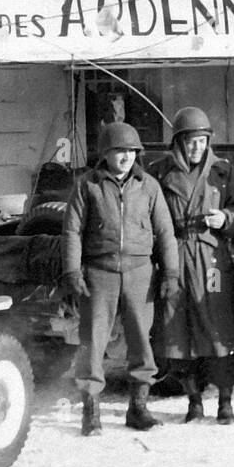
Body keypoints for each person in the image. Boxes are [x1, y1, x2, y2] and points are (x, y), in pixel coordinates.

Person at [62, 122, 179, 436]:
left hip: (141, 273)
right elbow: (72, 231)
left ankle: (138, 408)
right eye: (118, 151)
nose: (125, 157)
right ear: (105, 154)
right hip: (99, 272)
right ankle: (91, 411)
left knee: (141, 339)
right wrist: (73, 271)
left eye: (130, 151)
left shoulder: (149, 186)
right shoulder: (88, 185)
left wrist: (170, 272)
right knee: (93, 340)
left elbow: (165, 232)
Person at [148, 107, 234, 424]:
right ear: (179, 142)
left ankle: (225, 402)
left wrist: (227, 218)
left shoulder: (222, 170)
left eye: (202, 141)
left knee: (221, 330)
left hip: (212, 261)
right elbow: (149, 213)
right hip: (175, 257)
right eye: (191, 141)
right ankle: (194, 401)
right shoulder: (160, 171)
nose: (197, 148)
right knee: (179, 331)